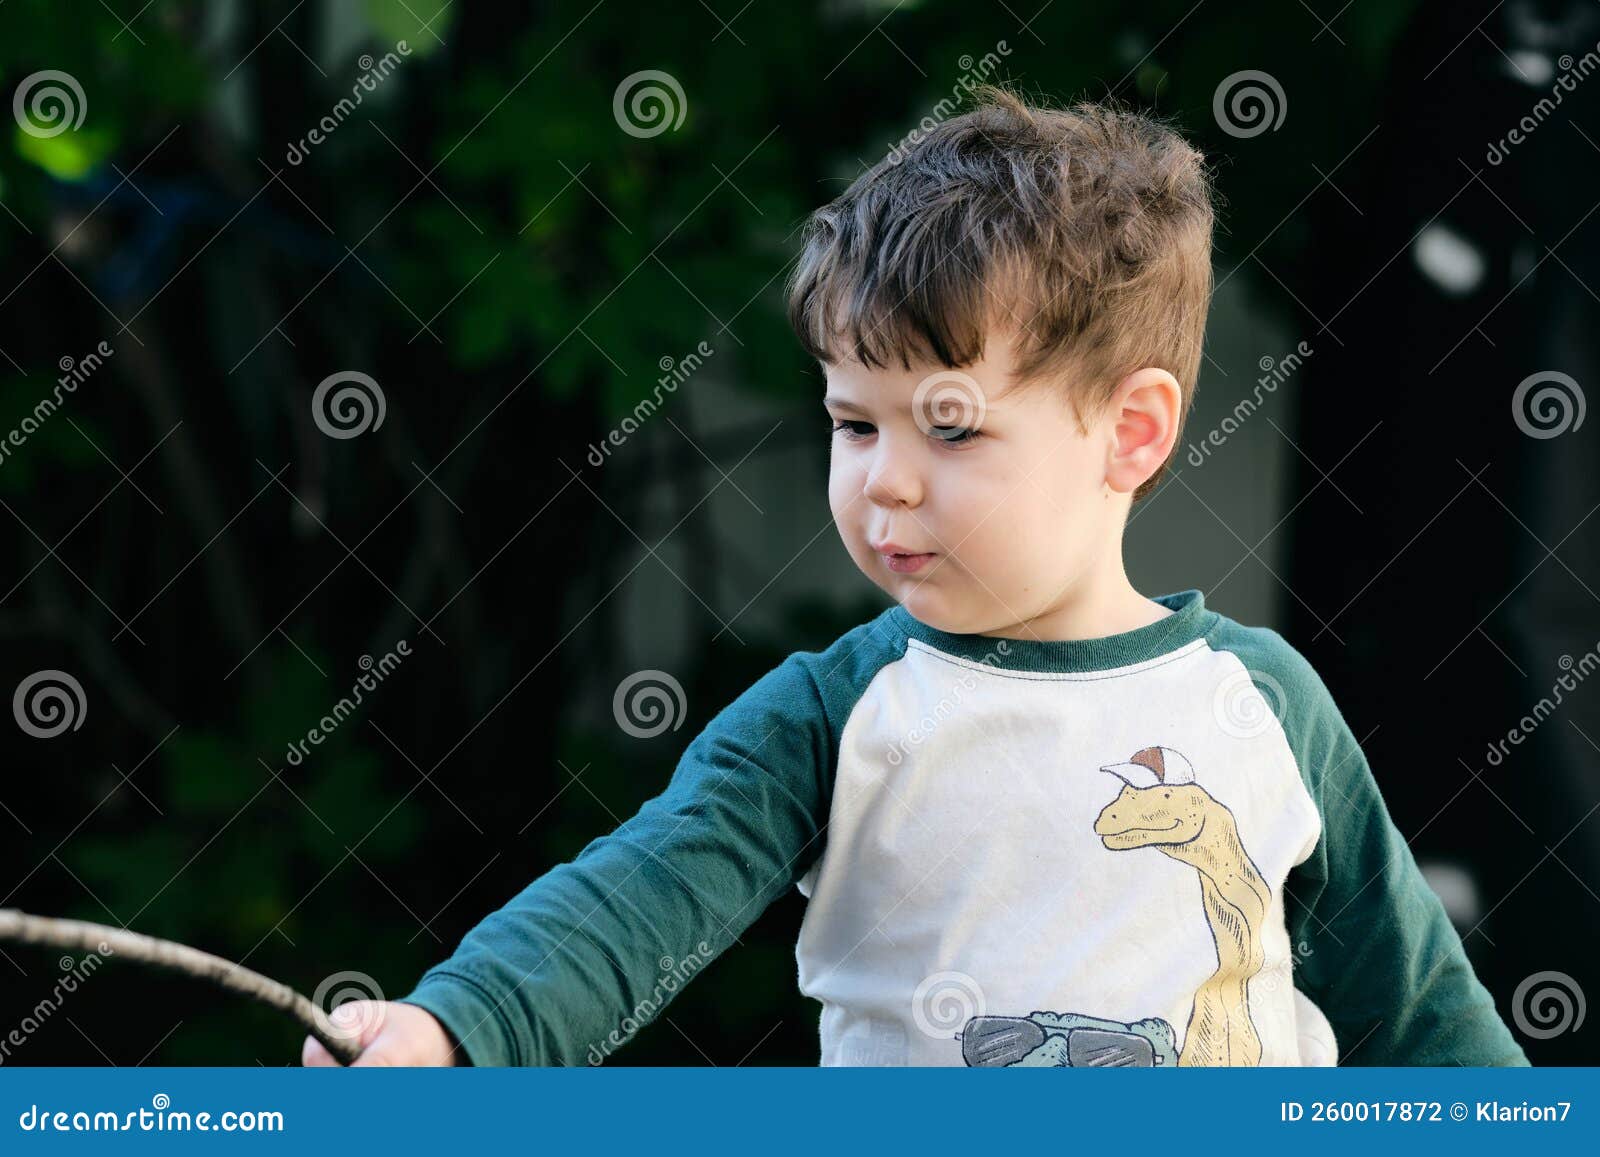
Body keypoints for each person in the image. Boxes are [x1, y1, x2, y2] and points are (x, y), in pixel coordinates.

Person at [303, 84, 1528, 1068]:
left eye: (948, 428)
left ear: (1132, 431)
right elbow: (641, 893)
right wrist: (462, 1022)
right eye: (853, 423)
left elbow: (1422, 1017)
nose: (882, 482)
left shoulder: (1261, 703)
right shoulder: (832, 718)